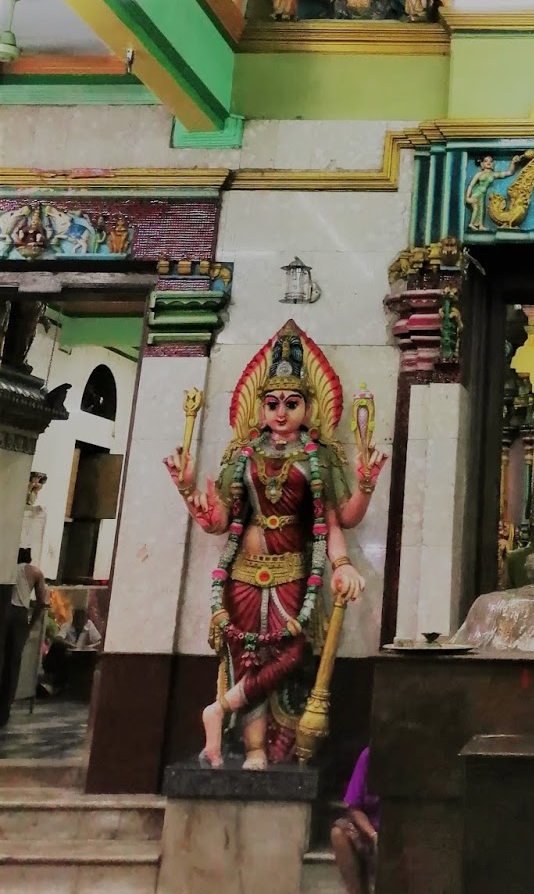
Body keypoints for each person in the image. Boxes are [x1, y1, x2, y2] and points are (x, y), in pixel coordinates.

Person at [164, 328, 387, 768]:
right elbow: (219, 522)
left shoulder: (318, 455)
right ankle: (252, 751)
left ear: (308, 408)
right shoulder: (242, 455)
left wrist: (363, 492)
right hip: (244, 573)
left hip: (293, 575)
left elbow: (340, 518)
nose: (281, 413)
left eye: (291, 404)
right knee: (249, 657)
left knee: (292, 654)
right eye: (272, 404)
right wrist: (189, 490)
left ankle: (221, 709)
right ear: (260, 410)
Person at [0, 548, 47, 723]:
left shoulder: (7, 569)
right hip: (20, 615)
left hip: (3, 610)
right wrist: (30, 625)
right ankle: (4, 712)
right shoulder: (35, 572)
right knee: (13, 664)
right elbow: (42, 602)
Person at [332, 746, 379, 894]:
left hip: (403, 834)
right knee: (339, 833)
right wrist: (373, 834)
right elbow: (354, 807)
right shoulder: (368, 756)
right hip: (372, 832)